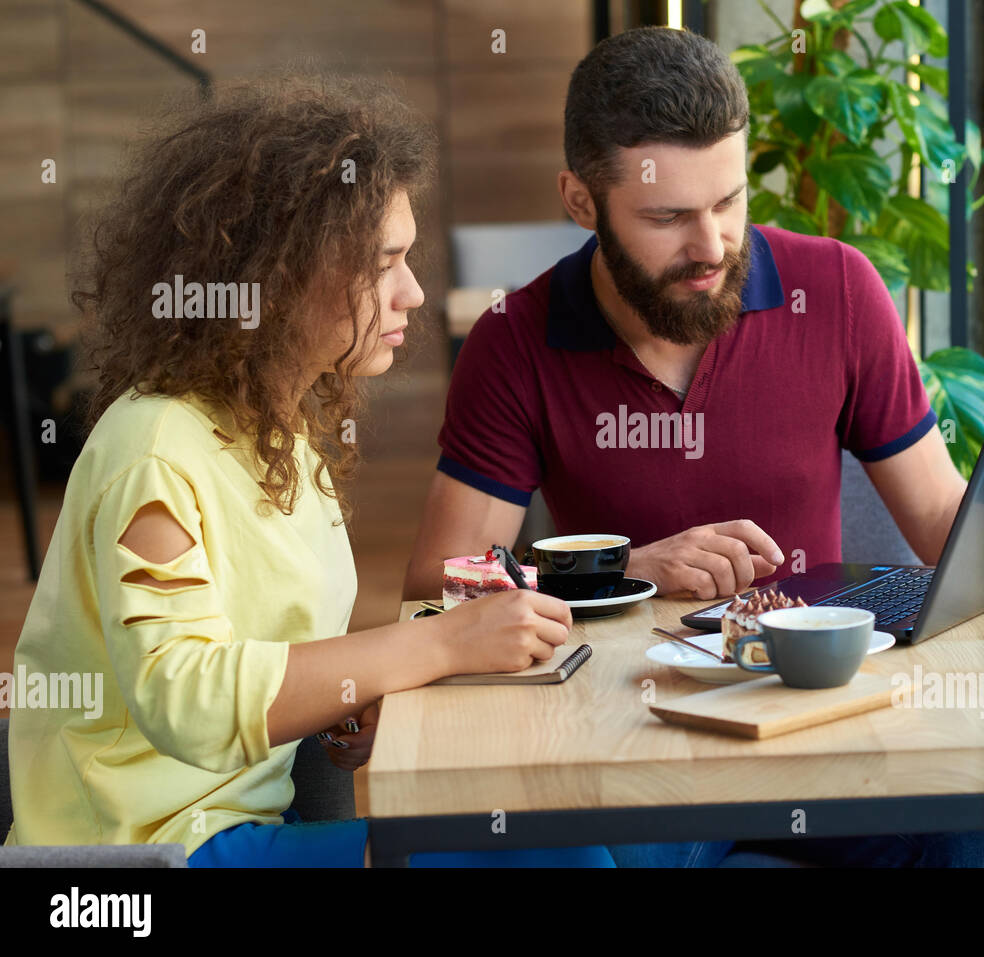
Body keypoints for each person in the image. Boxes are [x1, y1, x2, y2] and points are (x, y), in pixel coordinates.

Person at [403, 27, 984, 867]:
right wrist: (630, 569)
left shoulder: (837, 289)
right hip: (638, 735)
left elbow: (944, 515)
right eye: (668, 217)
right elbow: (437, 583)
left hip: (821, 720)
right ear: (581, 202)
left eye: (728, 201)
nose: (712, 246)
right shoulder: (514, 341)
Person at [3, 72, 612, 868]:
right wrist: (437, 646)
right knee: (547, 857)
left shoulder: (278, 433)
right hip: (149, 858)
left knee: (561, 841)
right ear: (279, 278)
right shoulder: (153, 445)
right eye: (383, 261)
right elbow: (185, 697)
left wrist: (347, 701)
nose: (413, 291)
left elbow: (273, 650)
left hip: (245, 828)